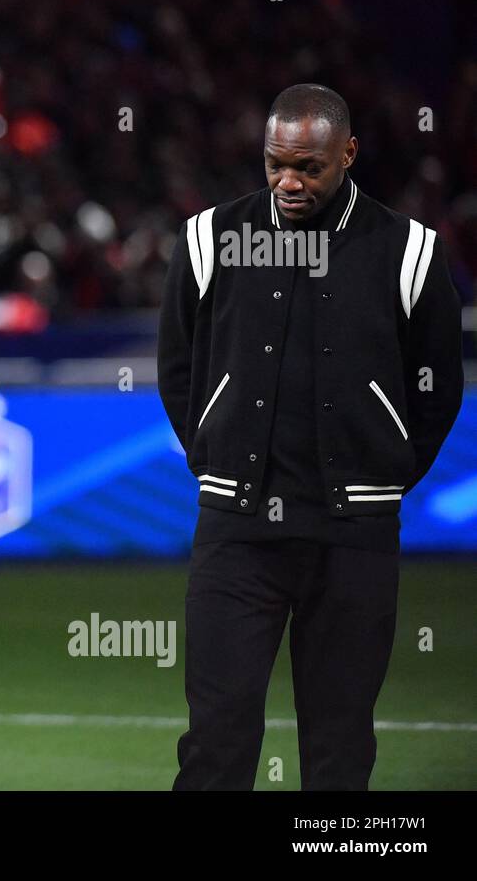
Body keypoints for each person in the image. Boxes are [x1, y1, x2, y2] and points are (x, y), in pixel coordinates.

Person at [157, 84, 463, 790]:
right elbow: (179, 370)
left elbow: (436, 386)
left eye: (309, 167)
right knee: (216, 740)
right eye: (274, 164)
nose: (288, 181)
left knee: (339, 747)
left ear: (347, 154)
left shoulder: (410, 251)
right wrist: (214, 456)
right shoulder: (208, 238)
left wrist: (382, 472)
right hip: (235, 531)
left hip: (354, 535)